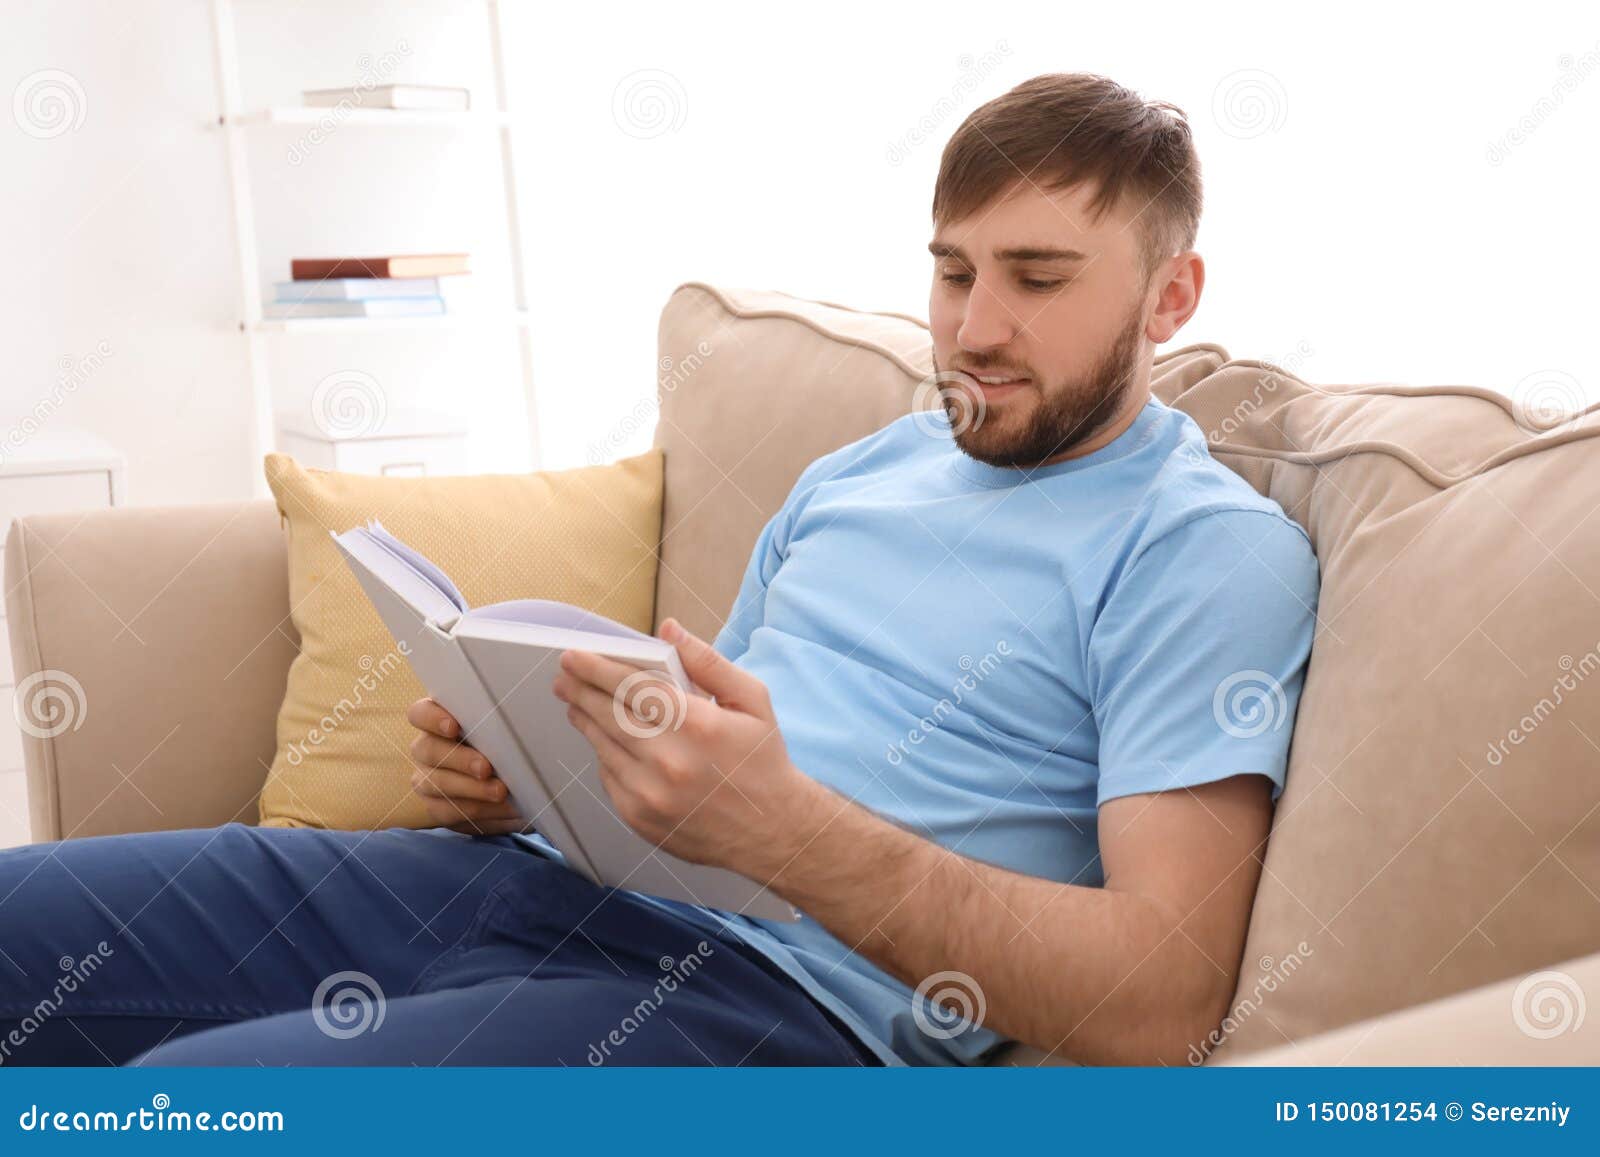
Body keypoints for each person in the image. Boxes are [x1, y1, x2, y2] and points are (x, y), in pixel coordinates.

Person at [0, 72, 1317, 1067]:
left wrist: (794, 834)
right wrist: (533, 771)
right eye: (954, 271)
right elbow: (709, 745)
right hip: (528, 885)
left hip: (771, 1011)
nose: (974, 329)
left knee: (181, 1099)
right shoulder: (862, 472)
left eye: (1038, 278)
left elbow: (1164, 989)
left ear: (1170, 295)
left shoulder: (1203, 550)